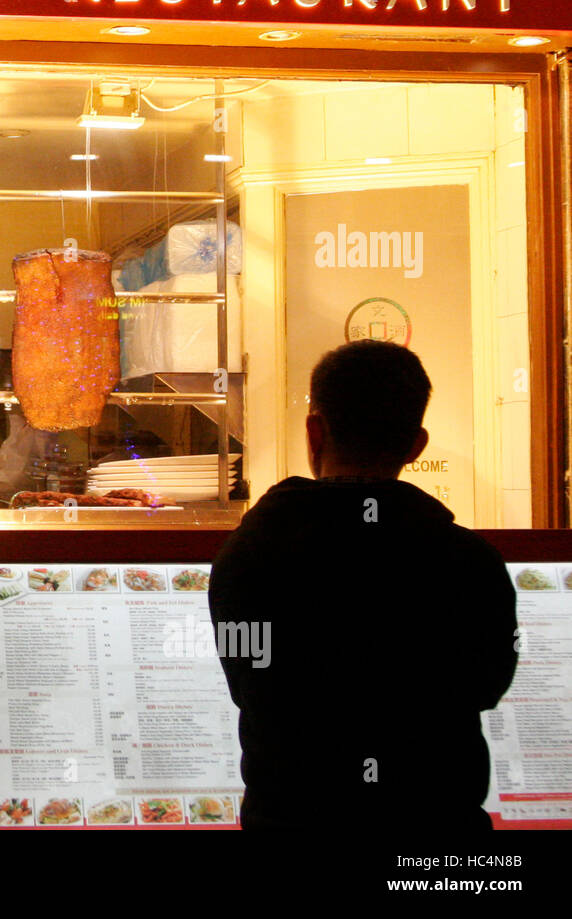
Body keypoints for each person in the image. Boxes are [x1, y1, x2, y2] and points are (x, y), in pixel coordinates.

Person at [208, 340, 517, 830]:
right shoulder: (471, 561)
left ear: (315, 431)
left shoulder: (247, 556)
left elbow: (248, 684)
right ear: (417, 445)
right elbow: (485, 684)